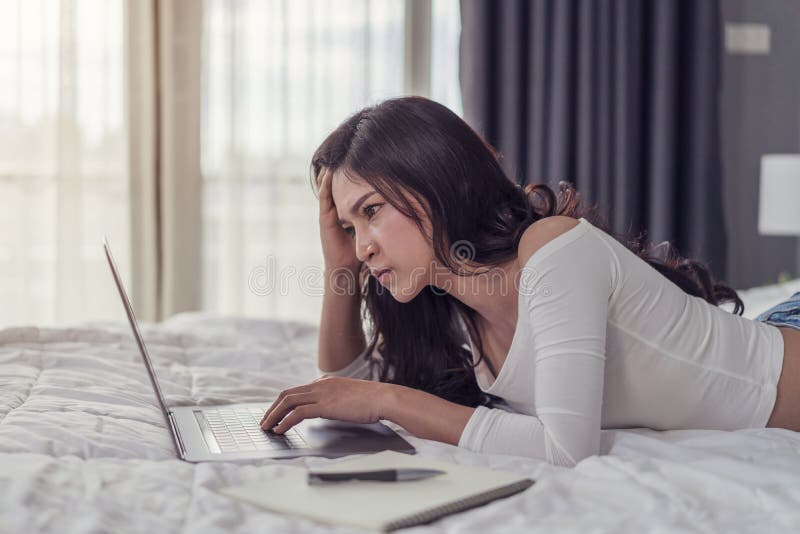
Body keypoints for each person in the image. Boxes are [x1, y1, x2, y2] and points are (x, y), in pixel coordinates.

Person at [259, 96, 800, 467]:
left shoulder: (553, 250)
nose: (362, 244)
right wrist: (340, 270)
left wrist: (388, 401)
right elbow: (342, 379)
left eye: (372, 211)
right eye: (350, 227)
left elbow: (567, 450)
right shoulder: (451, 311)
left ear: (436, 180)